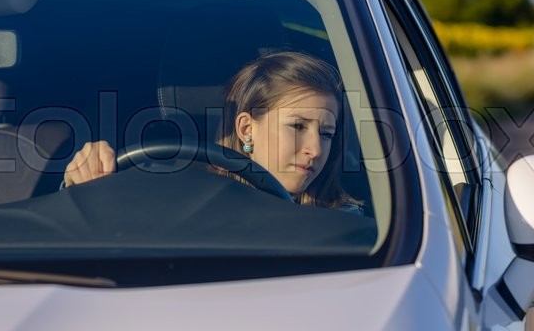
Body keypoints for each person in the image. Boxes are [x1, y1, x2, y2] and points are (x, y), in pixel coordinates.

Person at [63, 51, 363, 212]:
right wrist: (88, 192)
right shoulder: (171, 198)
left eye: (326, 133)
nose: (316, 149)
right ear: (247, 128)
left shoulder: (342, 220)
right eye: (298, 126)